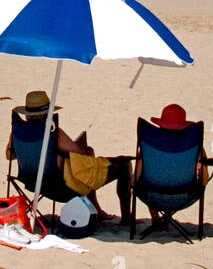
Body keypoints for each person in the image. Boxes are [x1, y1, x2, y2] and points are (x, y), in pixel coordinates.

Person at [8, 90, 131, 224]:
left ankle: (97, 210)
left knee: (84, 166)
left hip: (33, 182)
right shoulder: (52, 132)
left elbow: (9, 155)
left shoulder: (17, 132)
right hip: (61, 188)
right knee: (122, 165)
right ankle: (126, 219)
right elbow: (79, 152)